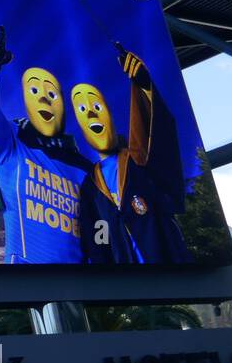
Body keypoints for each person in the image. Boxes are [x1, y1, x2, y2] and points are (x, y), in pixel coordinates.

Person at [0, 26, 89, 263]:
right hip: (25, 287)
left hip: (78, 286)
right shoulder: (11, 145)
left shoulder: (85, 167)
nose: (44, 97)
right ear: (26, 101)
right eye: (35, 90)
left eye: (52, 94)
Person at [72, 44, 192, 264]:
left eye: (96, 106)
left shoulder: (140, 160)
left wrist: (145, 86)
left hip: (170, 272)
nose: (90, 111)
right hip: (129, 285)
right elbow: (96, 238)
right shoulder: (90, 187)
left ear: (110, 115)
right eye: (81, 109)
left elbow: (163, 141)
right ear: (80, 126)